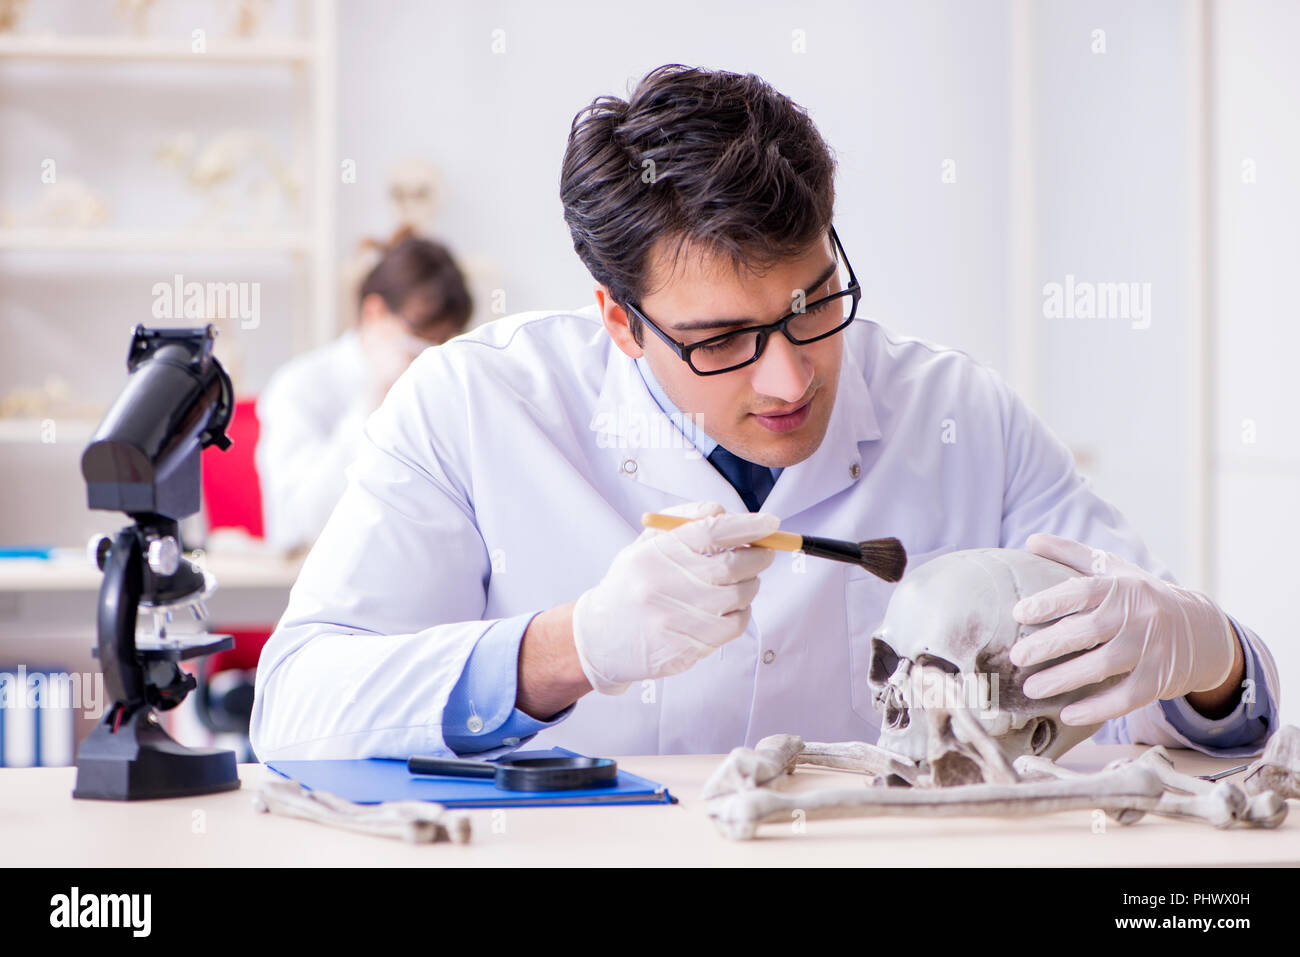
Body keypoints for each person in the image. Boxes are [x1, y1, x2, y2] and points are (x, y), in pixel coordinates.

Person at [250, 65, 1279, 763]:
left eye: (812, 305)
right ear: (618, 318)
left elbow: (1147, 710)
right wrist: (571, 649)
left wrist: (1215, 670)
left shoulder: (960, 412)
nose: (789, 381)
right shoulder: (475, 405)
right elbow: (297, 710)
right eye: (721, 339)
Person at [254, 233, 473, 551]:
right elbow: (297, 525)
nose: (428, 353)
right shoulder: (300, 385)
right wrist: (375, 401)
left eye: (442, 341)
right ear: (375, 313)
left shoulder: (446, 386)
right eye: (419, 336)